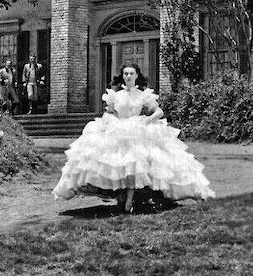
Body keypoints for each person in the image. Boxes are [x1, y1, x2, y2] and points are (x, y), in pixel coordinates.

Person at [52, 64, 214, 213]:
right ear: (122, 76)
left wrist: (147, 120)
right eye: (126, 73)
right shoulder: (115, 95)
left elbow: (159, 112)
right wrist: (109, 122)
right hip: (120, 128)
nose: (128, 76)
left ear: (137, 76)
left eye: (131, 73)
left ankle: (136, 198)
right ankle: (123, 197)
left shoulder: (143, 95)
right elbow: (109, 113)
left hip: (138, 128)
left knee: (143, 161)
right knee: (118, 163)